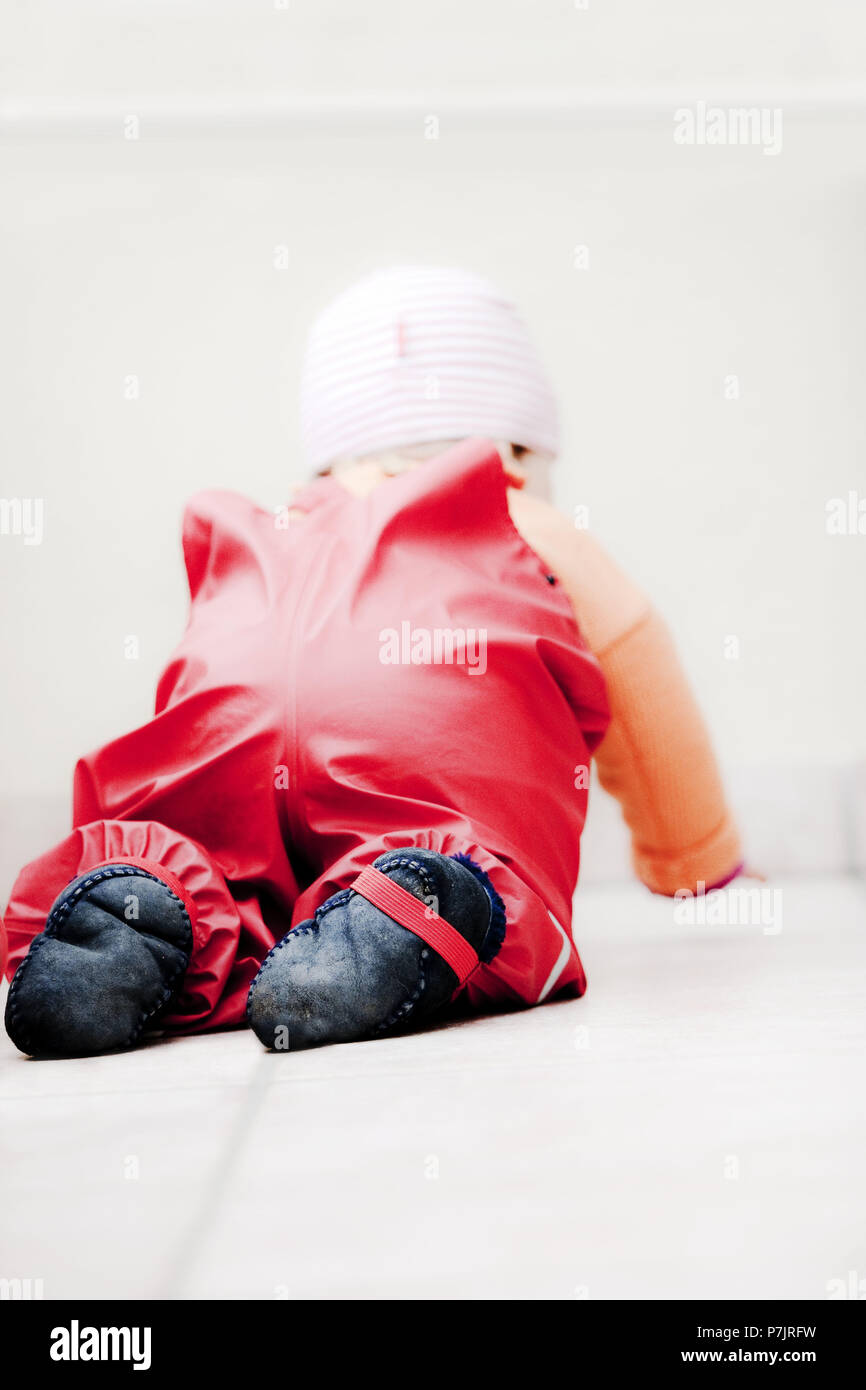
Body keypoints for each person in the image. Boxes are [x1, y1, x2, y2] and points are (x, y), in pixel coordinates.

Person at [2, 265, 741, 1058]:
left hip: (225, 747)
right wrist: (691, 860)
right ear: (518, 446)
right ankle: (411, 906)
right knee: (471, 880)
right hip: (410, 763)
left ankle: (151, 908)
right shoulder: (513, 512)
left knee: (215, 864)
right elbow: (640, 679)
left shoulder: (278, 528)